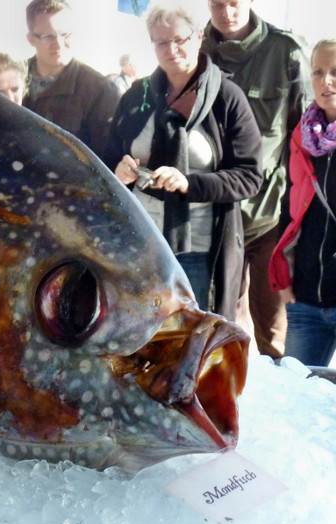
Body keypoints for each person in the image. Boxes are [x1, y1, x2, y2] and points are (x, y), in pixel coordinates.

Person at [101, 2, 262, 320]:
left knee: (192, 341)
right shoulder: (137, 95)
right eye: (161, 42)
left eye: (180, 39)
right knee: (139, 339)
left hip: (199, 249)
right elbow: (106, 160)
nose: (171, 49)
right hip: (141, 243)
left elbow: (250, 175)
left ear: (199, 37)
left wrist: (189, 182)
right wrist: (117, 170)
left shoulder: (227, 97)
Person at [202, 0, 312, 358]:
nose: (226, 12)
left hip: (271, 217)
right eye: (217, 4)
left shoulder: (286, 54)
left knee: (274, 333)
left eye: (234, 2)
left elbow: (306, 137)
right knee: (217, 328)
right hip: (215, 216)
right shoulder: (195, 49)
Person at [269, 39, 336, 367]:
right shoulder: (303, 136)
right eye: (319, 72)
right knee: (296, 399)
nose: (326, 81)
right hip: (306, 301)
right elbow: (291, 210)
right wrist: (284, 282)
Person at [22, 0, 119, 157]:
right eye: (48, 37)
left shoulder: (100, 91)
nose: (59, 44)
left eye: (66, 35)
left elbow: (104, 162)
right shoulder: (11, 80)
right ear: (31, 39)